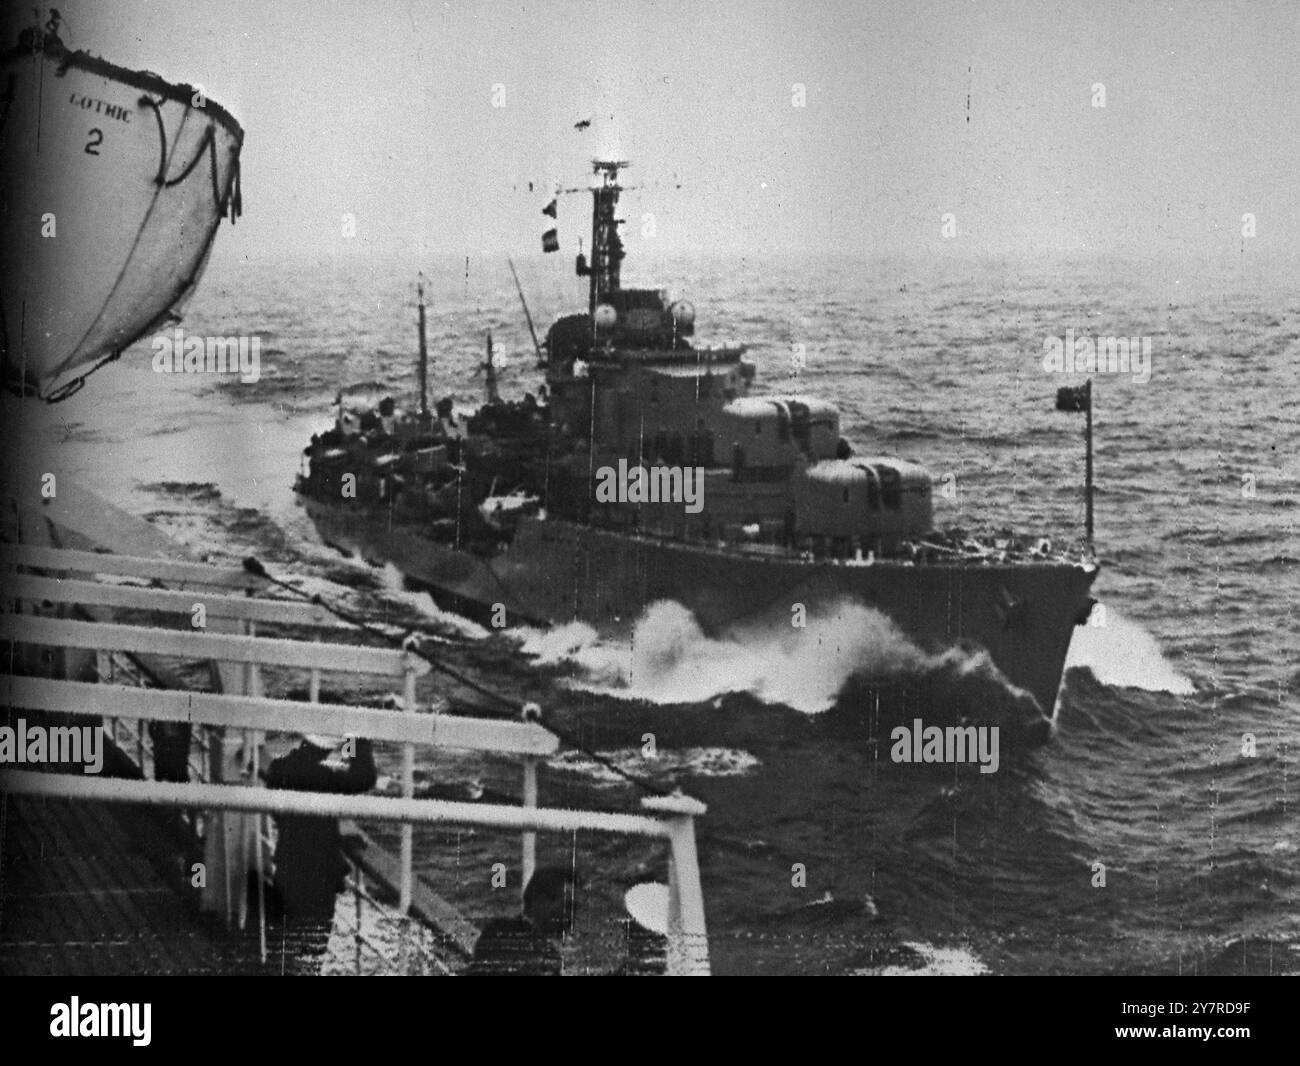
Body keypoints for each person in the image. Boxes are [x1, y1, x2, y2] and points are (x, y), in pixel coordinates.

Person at [263, 734, 377, 974]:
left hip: (288, 869)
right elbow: (365, 778)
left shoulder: (279, 769)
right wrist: (359, 742)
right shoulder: (322, 778)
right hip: (318, 879)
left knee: (287, 945)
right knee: (311, 951)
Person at [465, 866, 576, 976]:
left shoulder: (495, 930)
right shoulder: (548, 956)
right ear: (541, 901)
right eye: (567, 906)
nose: (571, 915)